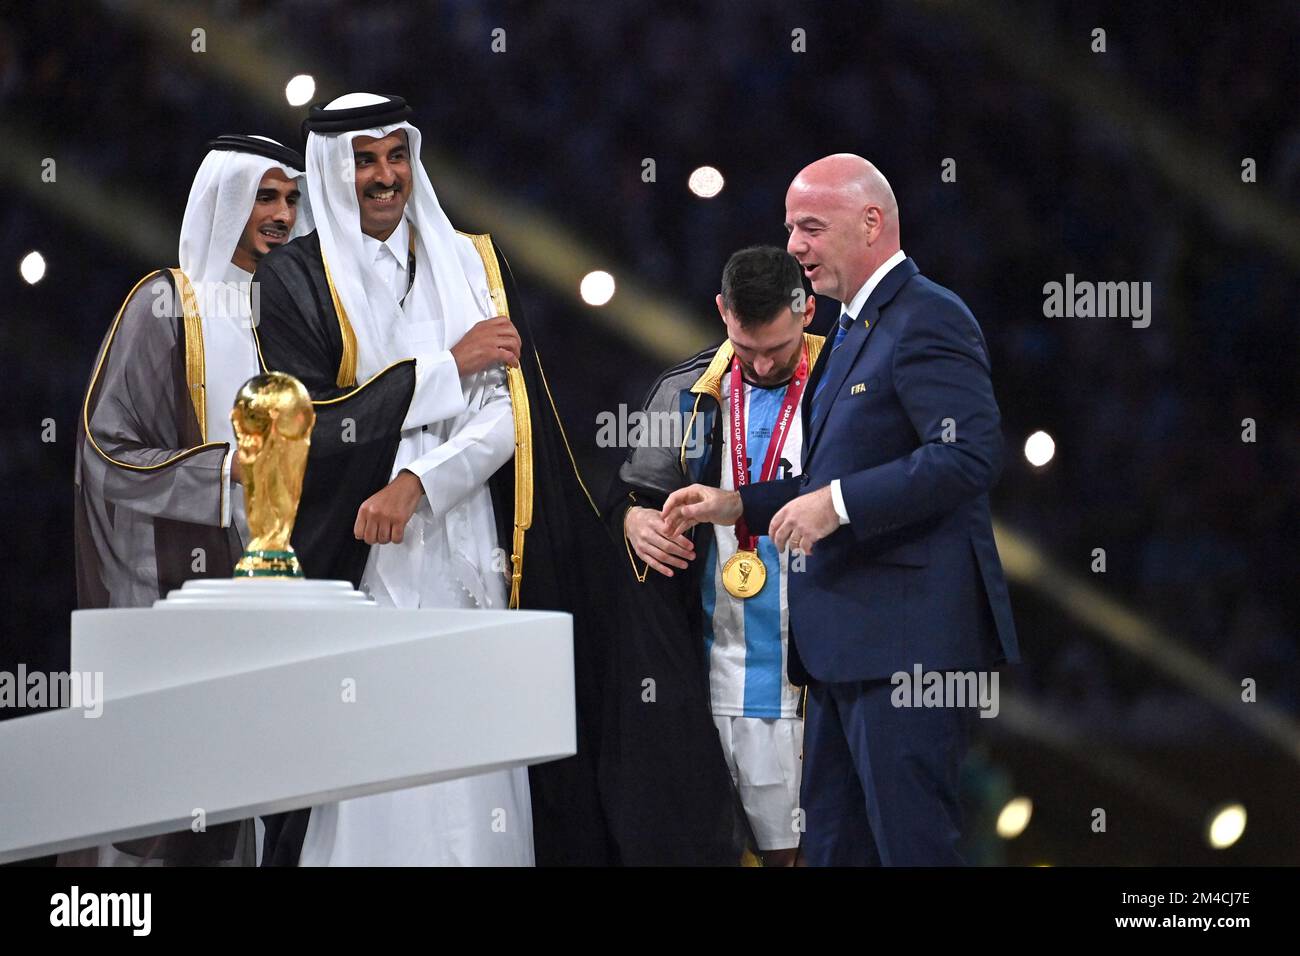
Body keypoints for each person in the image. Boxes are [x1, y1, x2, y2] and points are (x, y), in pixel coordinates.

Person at [253, 92, 750, 867]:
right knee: (379, 762)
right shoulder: (292, 281)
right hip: (364, 561)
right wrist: (449, 366)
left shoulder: (470, 258)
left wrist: (419, 479)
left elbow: (505, 415)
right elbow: (315, 422)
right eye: (364, 161)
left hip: (474, 545)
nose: (385, 177)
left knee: (480, 763)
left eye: (395, 156)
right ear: (331, 170)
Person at [663, 154, 1020, 865]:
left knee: (910, 849)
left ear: (870, 223)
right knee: (831, 850)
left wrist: (839, 503)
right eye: (790, 227)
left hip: (905, 650)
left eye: (810, 227)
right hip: (843, 653)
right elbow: (826, 476)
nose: (793, 245)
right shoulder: (854, 330)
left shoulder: (927, 316)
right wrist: (736, 502)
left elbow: (970, 455)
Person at [72, 134, 311, 865]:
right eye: (265, 197)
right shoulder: (163, 303)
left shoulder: (288, 321)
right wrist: (223, 473)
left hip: (267, 597)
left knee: (245, 805)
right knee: (155, 815)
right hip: (170, 589)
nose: (281, 214)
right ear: (227, 200)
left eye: (291, 200)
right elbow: (105, 450)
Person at [608, 246, 820, 865]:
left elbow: (864, 491)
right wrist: (633, 518)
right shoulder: (682, 391)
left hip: (813, 677)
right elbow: (624, 495)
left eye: (777, 348)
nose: (760, 363)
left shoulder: (844, 383)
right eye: (746, 345)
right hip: (701, 679)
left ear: (805, 309)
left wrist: (739, 504)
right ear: (722, 311)